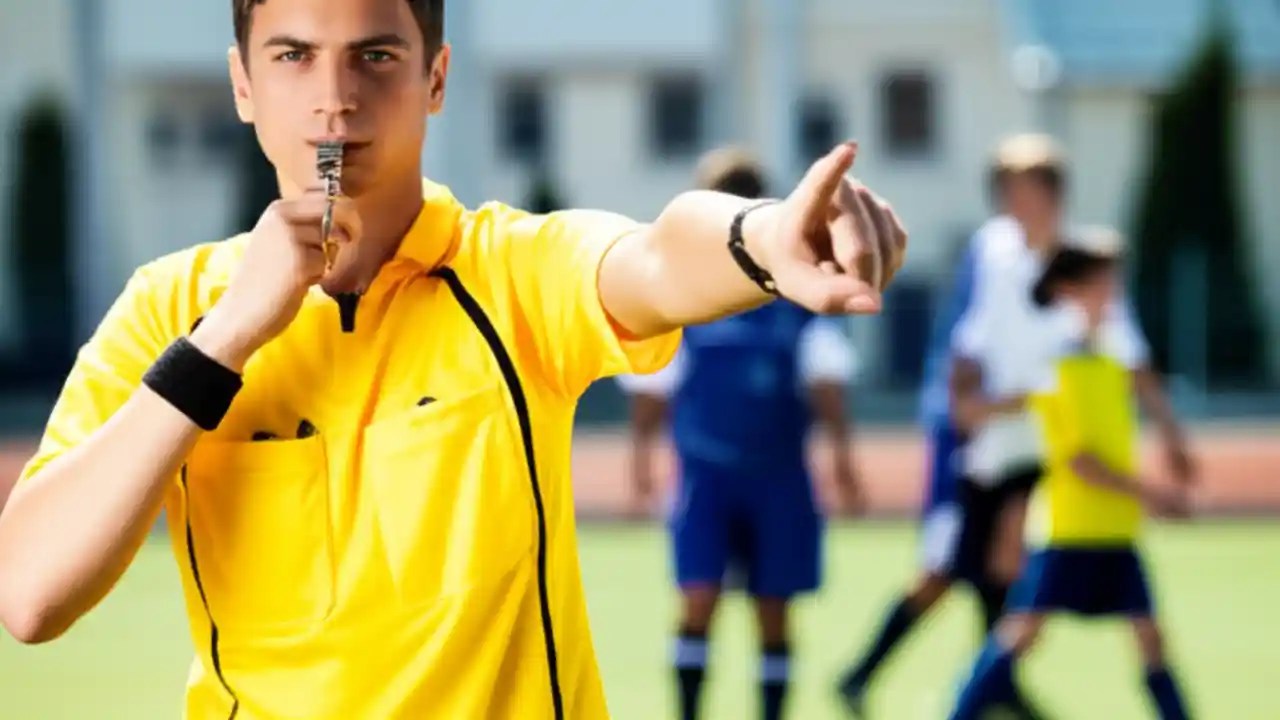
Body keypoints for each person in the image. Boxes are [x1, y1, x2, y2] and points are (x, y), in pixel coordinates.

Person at [0, 2, 907, 719]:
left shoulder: (512, 274)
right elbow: (31, 595)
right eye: (292, 55)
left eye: (375, 55)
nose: (335, 96)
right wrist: (225, 340)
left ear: (435, 77)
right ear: (242, 84)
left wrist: (763, 236)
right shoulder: (170, 309)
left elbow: (659, 256)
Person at [837, 134, 1192, 718]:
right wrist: (969, 409)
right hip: (998, 446)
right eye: (1005, 190)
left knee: (1010, 581)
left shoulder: (1083, 268)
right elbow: (967, 344)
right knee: (956, 571)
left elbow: (1129, 357)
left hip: (1050, 455)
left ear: (1053, 195)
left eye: (1023, 189)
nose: (1011, 201)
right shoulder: (995, 252)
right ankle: (900, 679)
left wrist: (1169, 432)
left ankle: (985, 689)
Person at [620, 148, 864, 720]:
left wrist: (843, 458)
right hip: (707, 477)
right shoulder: (682, 297)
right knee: (698, 598)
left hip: (778, 475)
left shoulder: (792, 294)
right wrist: (641, 460)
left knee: (774, 608)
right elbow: (655, 384)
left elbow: (826, 381)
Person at [947, 230, 1194, 720]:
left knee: (1149, 636)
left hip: (1114, 526)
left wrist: (1168, 436)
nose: (1114, 292)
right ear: (1071, 289)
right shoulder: (1059, 362)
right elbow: (1079, 460)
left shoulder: (1105, 353)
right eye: (1105, 282)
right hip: (1071, 527)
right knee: (1022, 631)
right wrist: (1151, 493)